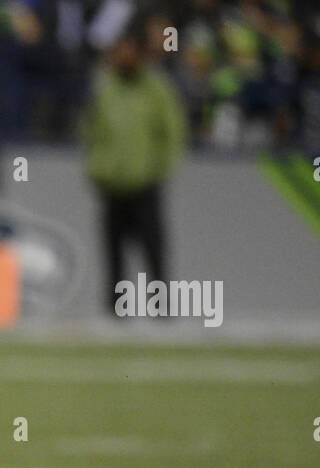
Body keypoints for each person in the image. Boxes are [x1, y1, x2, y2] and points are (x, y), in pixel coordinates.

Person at [82, 28, 187, 313]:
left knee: (153, 251)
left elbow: (172, 132)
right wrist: (97, 168)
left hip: (145, 185)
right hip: (112, 185)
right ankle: (114, 314)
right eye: (119, 50)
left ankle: (162, 311)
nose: (123, 56)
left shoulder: (156, 88)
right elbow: (93, 131)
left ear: (139, 53)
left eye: (128, 49)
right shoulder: (106, 87)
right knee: (113, 253)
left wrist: (158, 169)